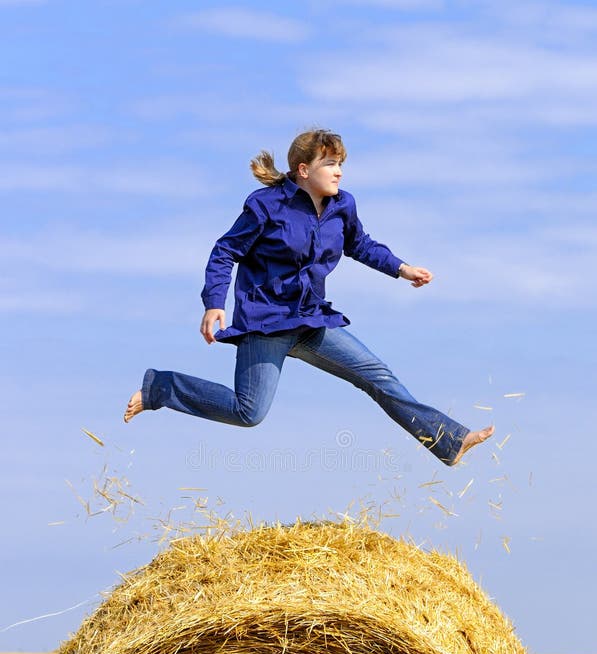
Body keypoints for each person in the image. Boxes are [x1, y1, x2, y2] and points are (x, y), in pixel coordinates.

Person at [124, 129, 493, 466]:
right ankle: (160, 388)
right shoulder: (266, 205)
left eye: (341, 164)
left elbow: (359, 245)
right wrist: (214, 303)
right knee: (249, 412)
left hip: (311, 320)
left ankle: (448, 440)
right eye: (330, 164)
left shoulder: (342, 206)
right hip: (266, 324)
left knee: (377, 376)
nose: (339, 172)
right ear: (303, 170)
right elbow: (225, 252)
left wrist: (401, 268)